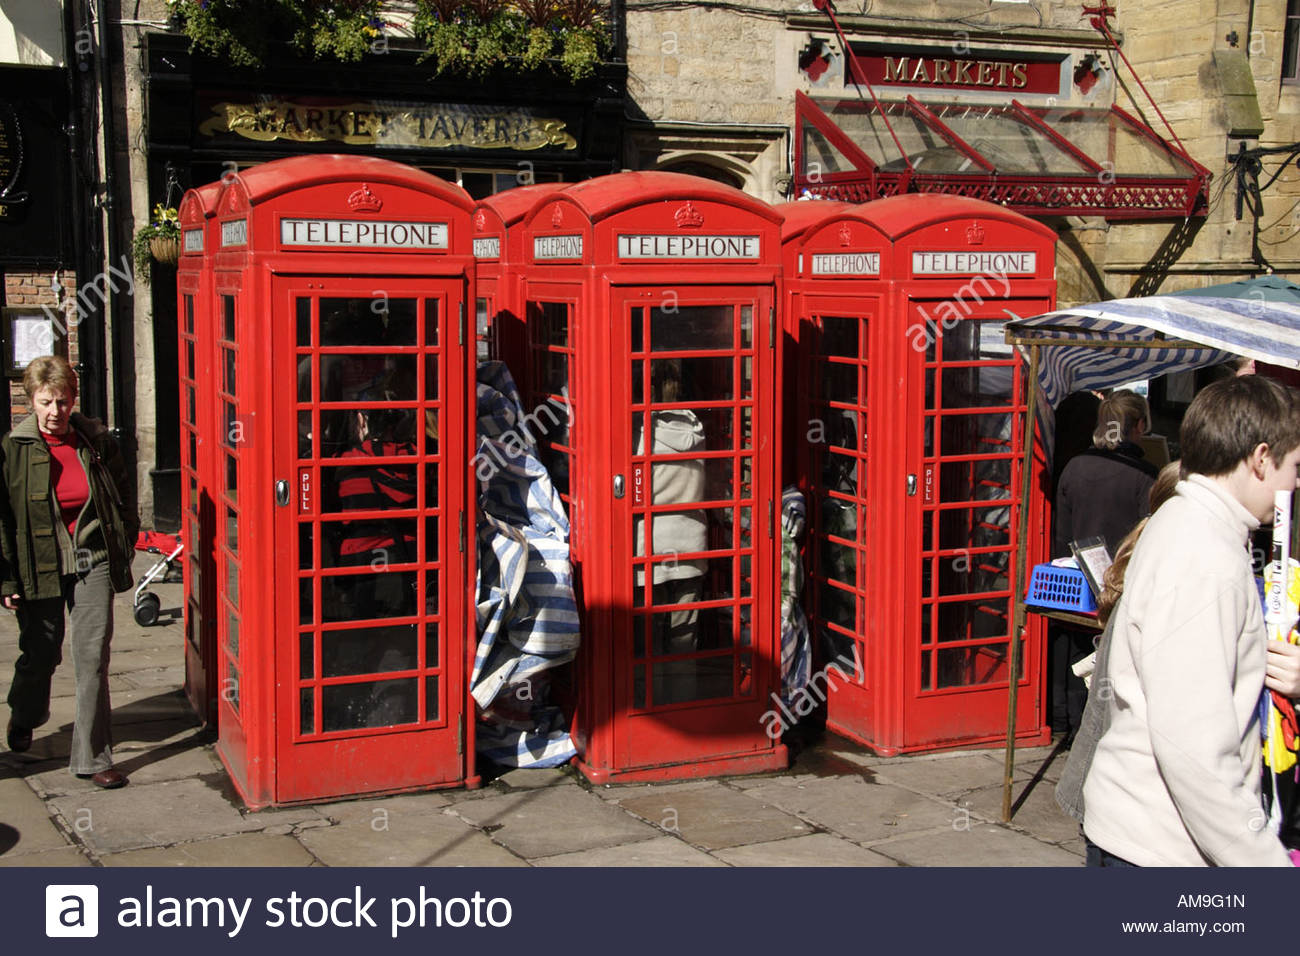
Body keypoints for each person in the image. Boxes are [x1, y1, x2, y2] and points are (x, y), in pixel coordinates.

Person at [1081, 375, 1300, 866]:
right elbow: (1193, 749)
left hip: (1141, 830)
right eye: (1296, 466)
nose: (1296, 484)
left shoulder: (1184, 520)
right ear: (1262, 458)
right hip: (1161, 848)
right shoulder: (1207, 558)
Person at [1, 356, 138, 788]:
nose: (56, 411)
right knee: (41, 652)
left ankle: (93, 758)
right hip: (37, 566)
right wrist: (5, 580)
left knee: (93, 658)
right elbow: (2, 520)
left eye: (63, 401)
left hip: (91, 561)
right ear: (31, 402)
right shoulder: (12, 450)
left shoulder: (95, 441)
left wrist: (124, 541)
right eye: (46, 402)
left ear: (74, 399)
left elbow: (121, 496)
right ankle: (25, 713)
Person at [1049, 390, 1158, 740]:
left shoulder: (1074, 466)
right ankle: (1088, 730)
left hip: (1073, 580)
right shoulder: (1145, 475)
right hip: (1118, 588)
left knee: (1068, 648)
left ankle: (1062, 720)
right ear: (1138, 426)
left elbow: (1061, 532)